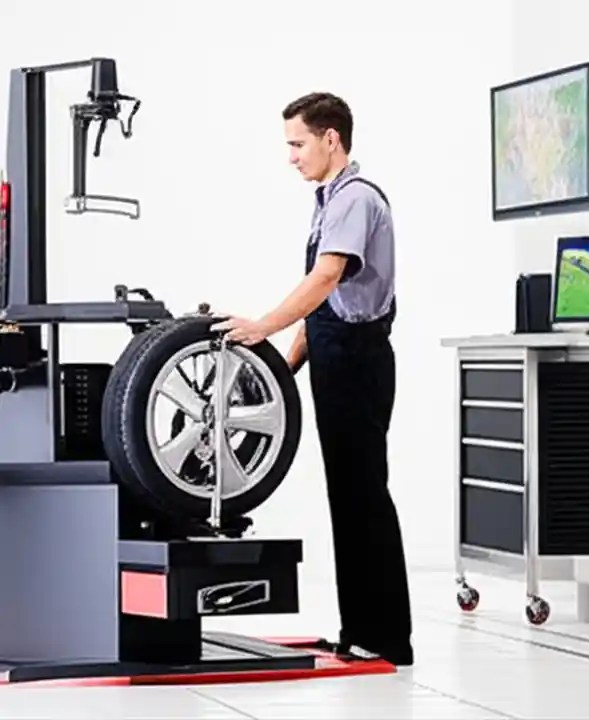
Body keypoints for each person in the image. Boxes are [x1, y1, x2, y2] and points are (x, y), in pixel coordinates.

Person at [212, 92, 413, 666]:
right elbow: (324, 307)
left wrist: (261, 327)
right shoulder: (329, 199)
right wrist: (281, 368)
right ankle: (363, 631)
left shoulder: (355, 198)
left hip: (358, 359)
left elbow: (325, 279)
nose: (291, 157)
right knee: (347, 496)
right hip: (334, 348)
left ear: (332, 139)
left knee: (365, 495)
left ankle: (386, 636)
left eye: (297, 144)